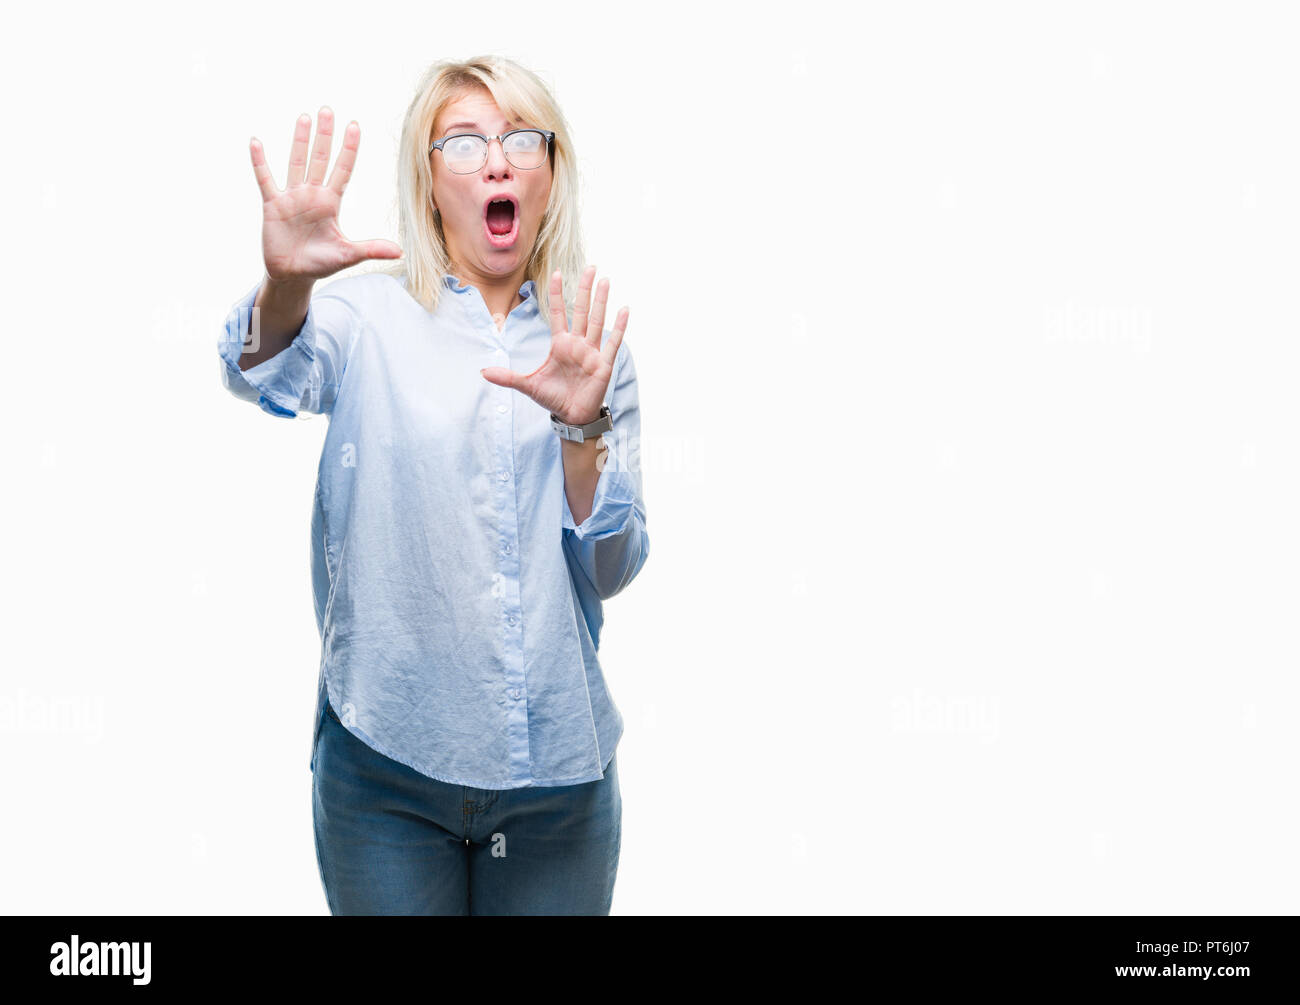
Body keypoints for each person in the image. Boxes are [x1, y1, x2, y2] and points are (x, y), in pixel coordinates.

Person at [216, 55, 648, 915]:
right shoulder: (364, 318)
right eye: (465, 142)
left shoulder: (591, 346)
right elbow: (256, 371)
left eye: (522, 139)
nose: (497, 160)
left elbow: (612, 571)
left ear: (549, 174)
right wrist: (289, 280)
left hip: (556, 784)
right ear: (429, 181)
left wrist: (582, 428)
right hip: (384, 772)